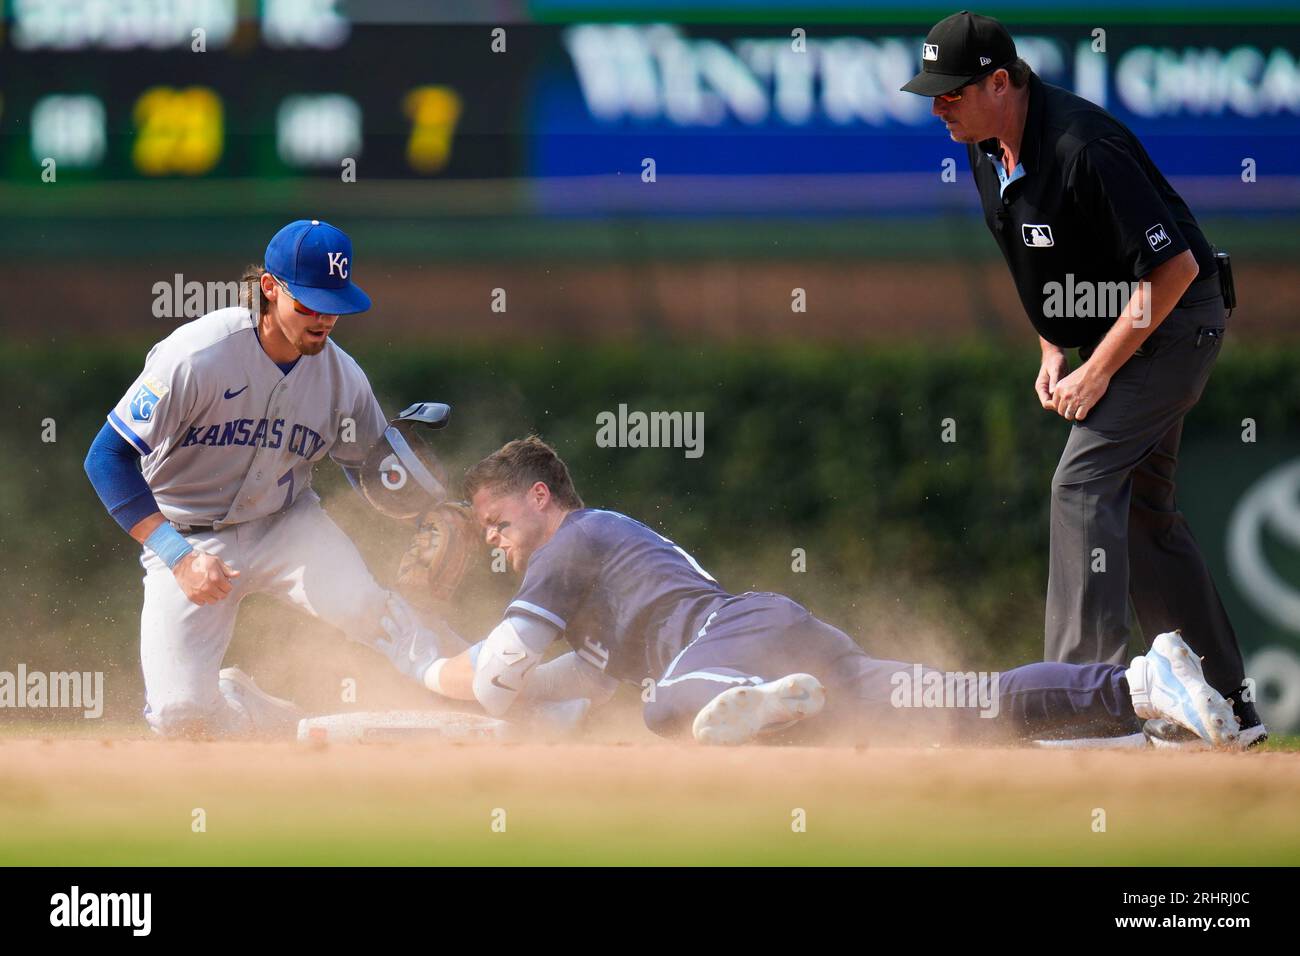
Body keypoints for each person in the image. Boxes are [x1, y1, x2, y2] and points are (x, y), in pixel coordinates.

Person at [899, 11, 1264, 745]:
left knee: (1083, 484)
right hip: (1122, 328)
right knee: (1143, 514)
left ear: (1001, 82)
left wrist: (1097, 372)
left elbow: (1175, 270)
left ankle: (1083, 704)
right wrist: (1052, 350)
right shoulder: (986, 147)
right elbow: (1042, 268)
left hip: (1175, 321)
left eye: (952, 92)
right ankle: (1224, 705)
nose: (938, 107)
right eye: (932, 94)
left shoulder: (1082, 145)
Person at [420, 436, 1242, 749]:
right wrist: (517, 704)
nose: (493, 541)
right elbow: (558, 688)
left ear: (538, 498)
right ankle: (1138, 685)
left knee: (663, 710)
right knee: (966, 703)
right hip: (777, 643)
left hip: (735, 641)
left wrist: (420, 668)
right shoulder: (597, 575)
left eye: (494, 521)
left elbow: (496, 676)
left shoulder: (572, 539)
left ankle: (759, 698)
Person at [83, 219, 462, 737]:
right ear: (269, 288)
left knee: (374, 613)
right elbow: (105, 458)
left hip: (287, 527)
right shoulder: (198, 355)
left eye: (335, 304)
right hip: (188, 537)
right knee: (181, 718)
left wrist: (429, 513)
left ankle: (495, 686)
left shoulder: (341, 375)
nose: (324, 318)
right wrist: (177, 555)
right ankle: (261, 716)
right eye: (308, 303)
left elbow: (374, 471)